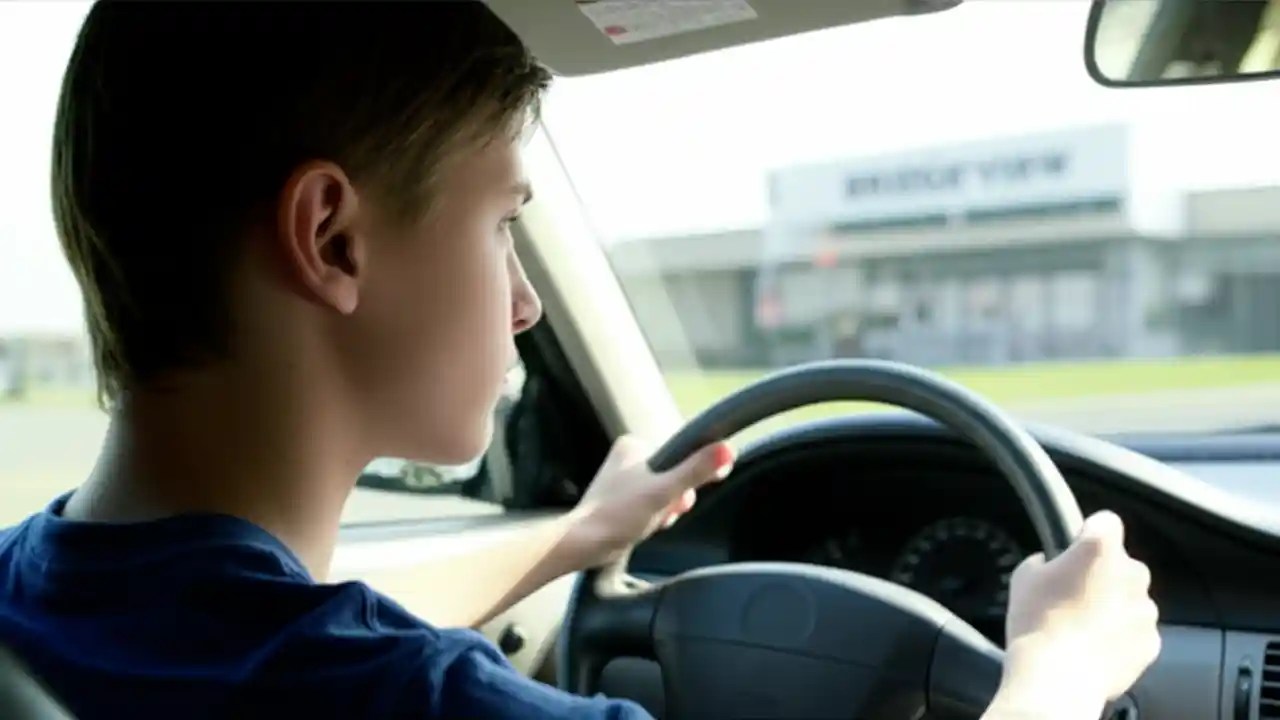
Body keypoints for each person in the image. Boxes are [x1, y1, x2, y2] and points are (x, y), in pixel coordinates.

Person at [0, 2, 1159, 719]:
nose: (523, 303)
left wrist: (574, 539)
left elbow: (251, 624)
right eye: (502, 222)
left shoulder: (31, 596)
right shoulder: (417, 703)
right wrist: (1056, 668)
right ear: (332, 239)